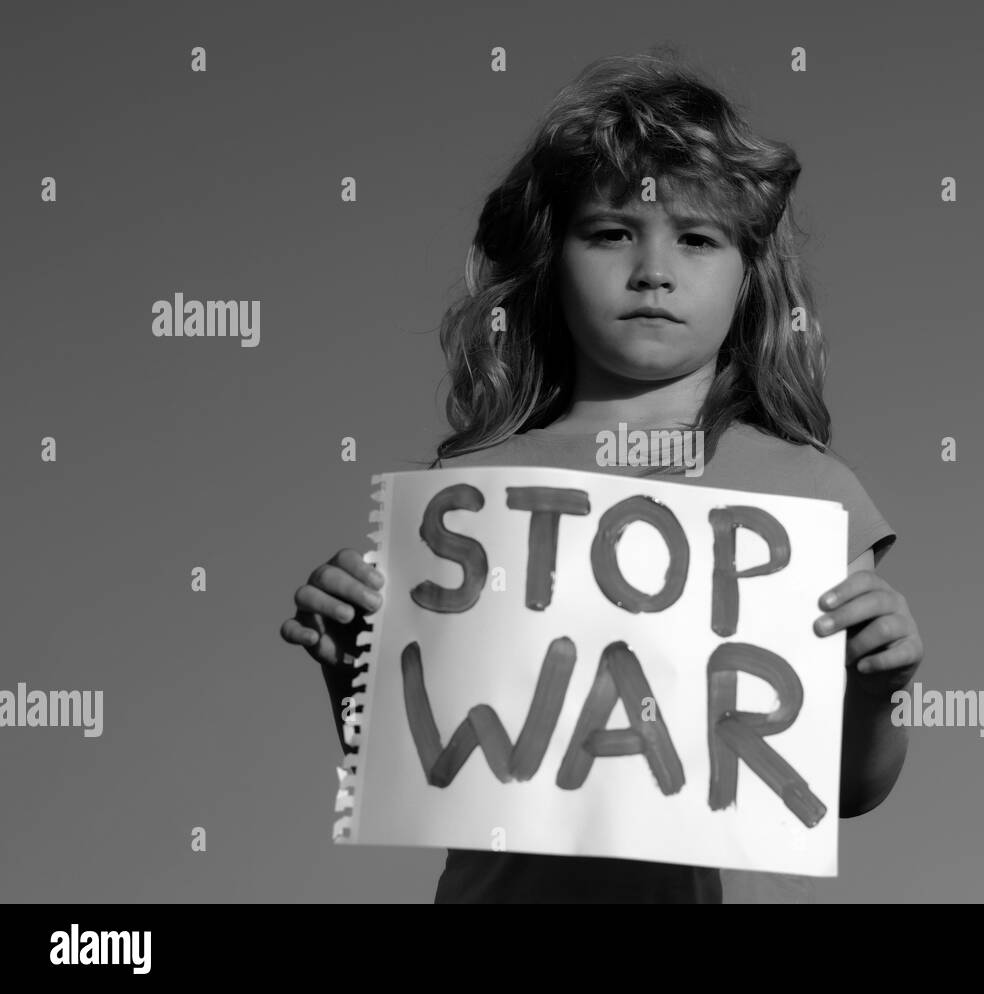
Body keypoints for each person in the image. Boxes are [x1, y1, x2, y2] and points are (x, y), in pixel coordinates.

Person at [280, 48, 924, 903]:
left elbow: (847, 790)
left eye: (697, 238)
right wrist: (348, 666)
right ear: (553, 259)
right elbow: (426, 768)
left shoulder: (806, 497)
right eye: (612, 232)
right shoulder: (474, 491)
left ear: (750, 276)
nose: (653, 269)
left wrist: (878, 692)